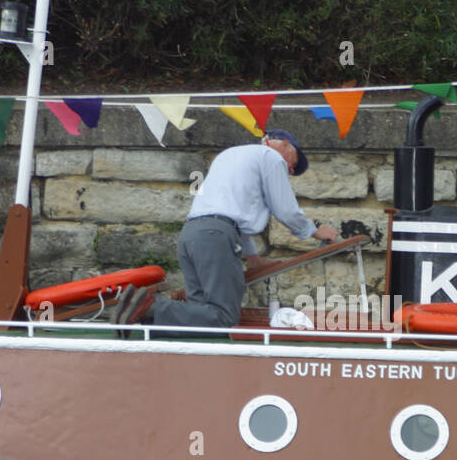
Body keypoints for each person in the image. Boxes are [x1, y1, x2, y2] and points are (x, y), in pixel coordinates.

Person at [117, 129, 339, 328]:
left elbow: (232, 215)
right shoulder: (270, 157)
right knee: (223, 316)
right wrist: (315, 231)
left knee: (199, 316)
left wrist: (253, 260)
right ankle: (150, 308)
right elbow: (285, 209)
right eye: (294, 162)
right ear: (282, 145)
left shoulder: (229, 156)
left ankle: (139, 312)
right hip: (216, 237)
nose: (290, 170)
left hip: (191, 234)